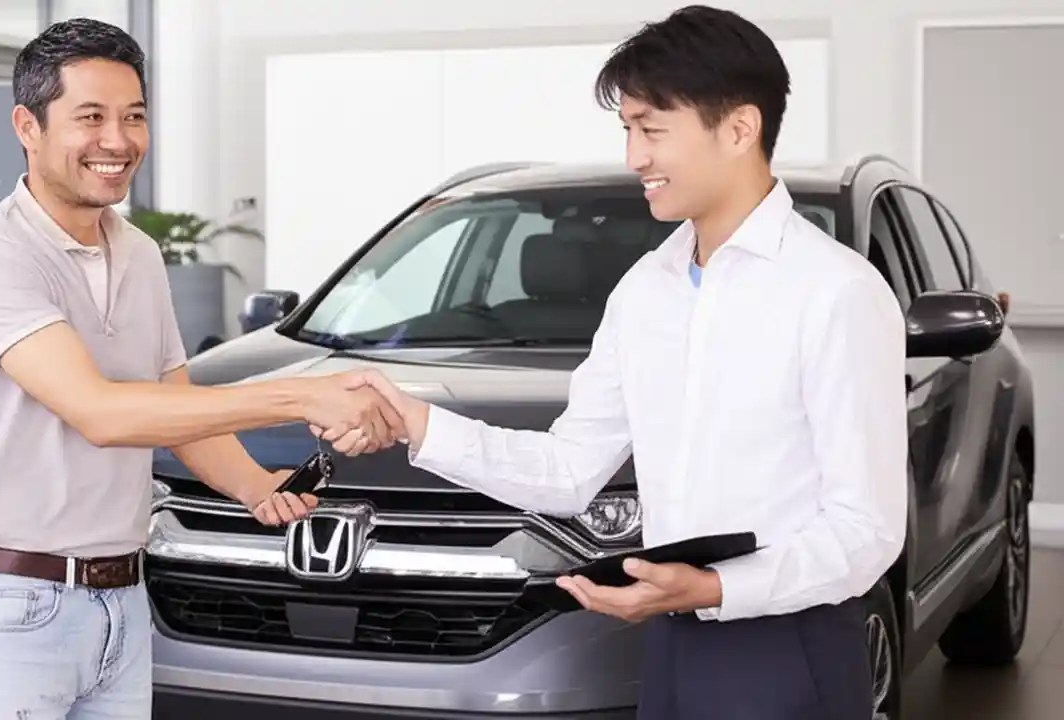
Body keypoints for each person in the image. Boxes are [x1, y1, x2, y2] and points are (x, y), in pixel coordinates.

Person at [343, 6, 907, 719]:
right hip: (671, 639)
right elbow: (569, 469)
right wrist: (416, 423)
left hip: (789, 645)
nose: (635, 157)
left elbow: (866, 530)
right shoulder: (646, 290)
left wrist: (717, 589)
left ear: (740, 128)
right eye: (628, 131)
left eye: (652, 130)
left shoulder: (836, 292)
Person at [0, 18, 402, 719]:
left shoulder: (138, 253)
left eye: (134, 116)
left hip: (121, 602)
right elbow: (103, 413)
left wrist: (256, 487)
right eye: (91, 117)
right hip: (7, 608)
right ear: (28, 126)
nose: (118, 140)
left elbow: (174, 404)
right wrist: (301, 396)